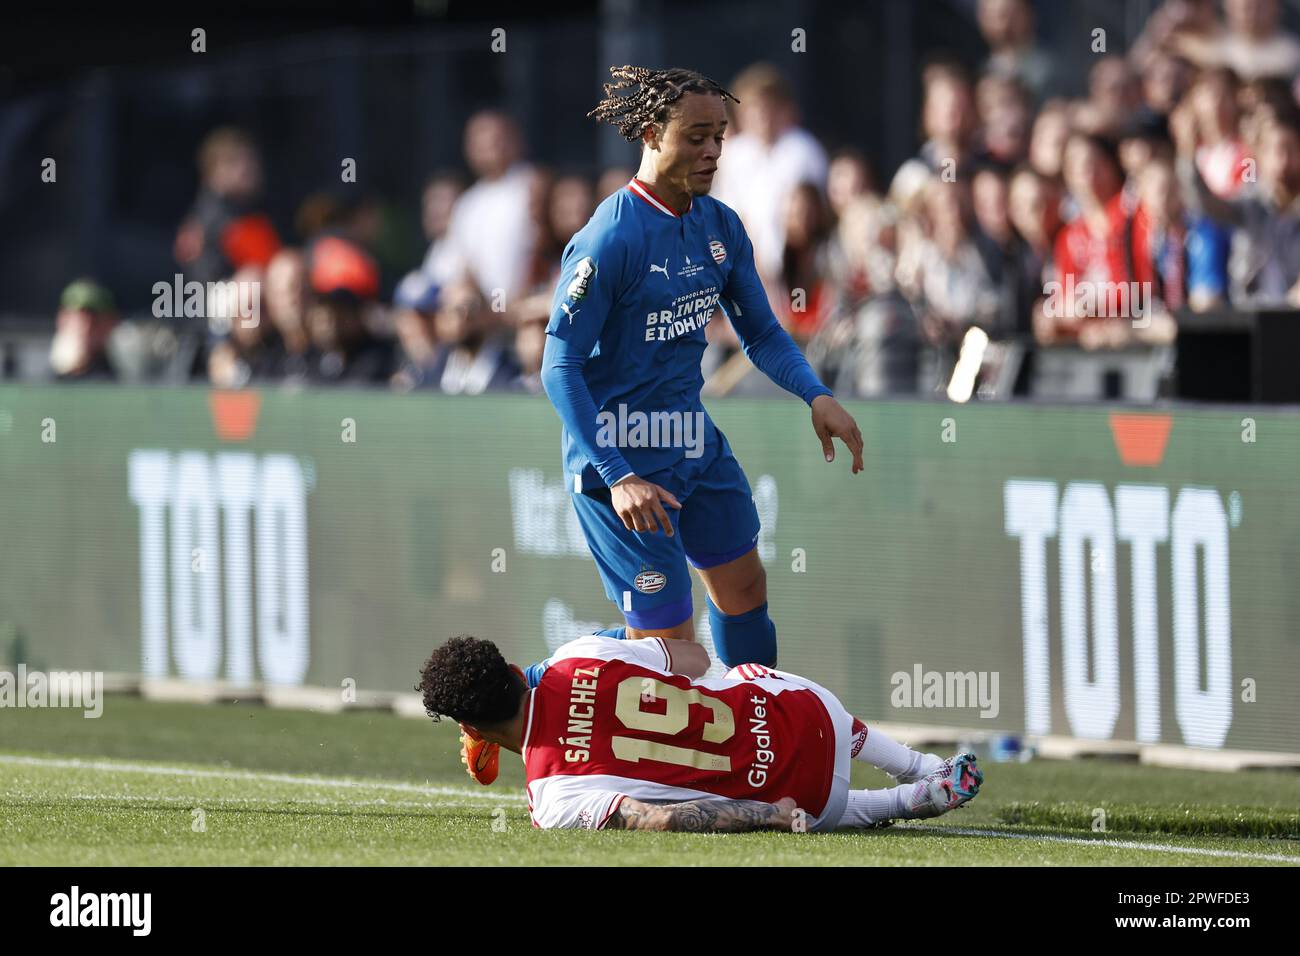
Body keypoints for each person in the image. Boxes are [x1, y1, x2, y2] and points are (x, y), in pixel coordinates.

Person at [473, 66, 866, 786]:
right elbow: (559, 368)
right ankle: (516, 691)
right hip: (619, 464)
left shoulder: (719, 226)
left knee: (744, 591)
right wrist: (618, 474)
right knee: (670, 653)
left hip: (693, 446)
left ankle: (762, 743)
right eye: (697, 137)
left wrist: (816, 396)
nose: (713, 151)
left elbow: (762, 334)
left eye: (720, 135)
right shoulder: (609, 239)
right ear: (652, 136)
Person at [419, 633, 982, 831]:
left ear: (471, 728)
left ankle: (905, 801)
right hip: (810, 710)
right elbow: (692, 657)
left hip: (810, 800)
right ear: (515, 670)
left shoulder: (551, 798)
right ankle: (913, 764)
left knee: (793, 803)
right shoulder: (577, 654)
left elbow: (658, 819)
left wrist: (771, 815)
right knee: (738, 677)